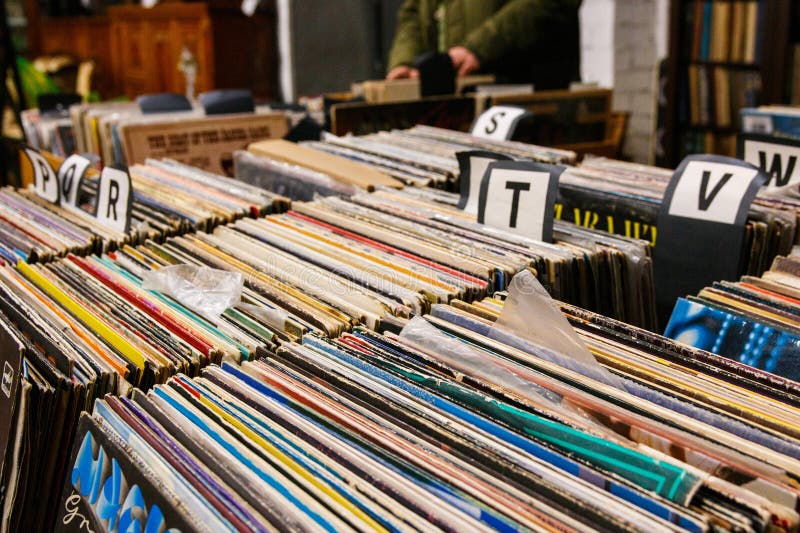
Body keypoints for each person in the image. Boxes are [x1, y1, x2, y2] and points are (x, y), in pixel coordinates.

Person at [386, 0, 582, 91]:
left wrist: (479, 47)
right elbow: (413, 12)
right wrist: (405, 62)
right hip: (451, 102)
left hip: (525, 96)